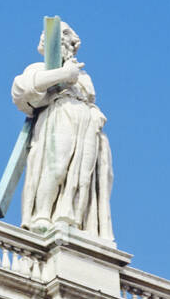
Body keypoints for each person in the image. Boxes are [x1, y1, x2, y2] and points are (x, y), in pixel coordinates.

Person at [11, 23, 113, 239]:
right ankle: (42, 215)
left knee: (82, 177)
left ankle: (70, 217)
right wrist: (64, 74)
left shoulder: (84, 77)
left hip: (86, 123)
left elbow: (88, 98)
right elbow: (23, 90)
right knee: (56, 167)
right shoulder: (41, 68)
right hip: (60, 115)